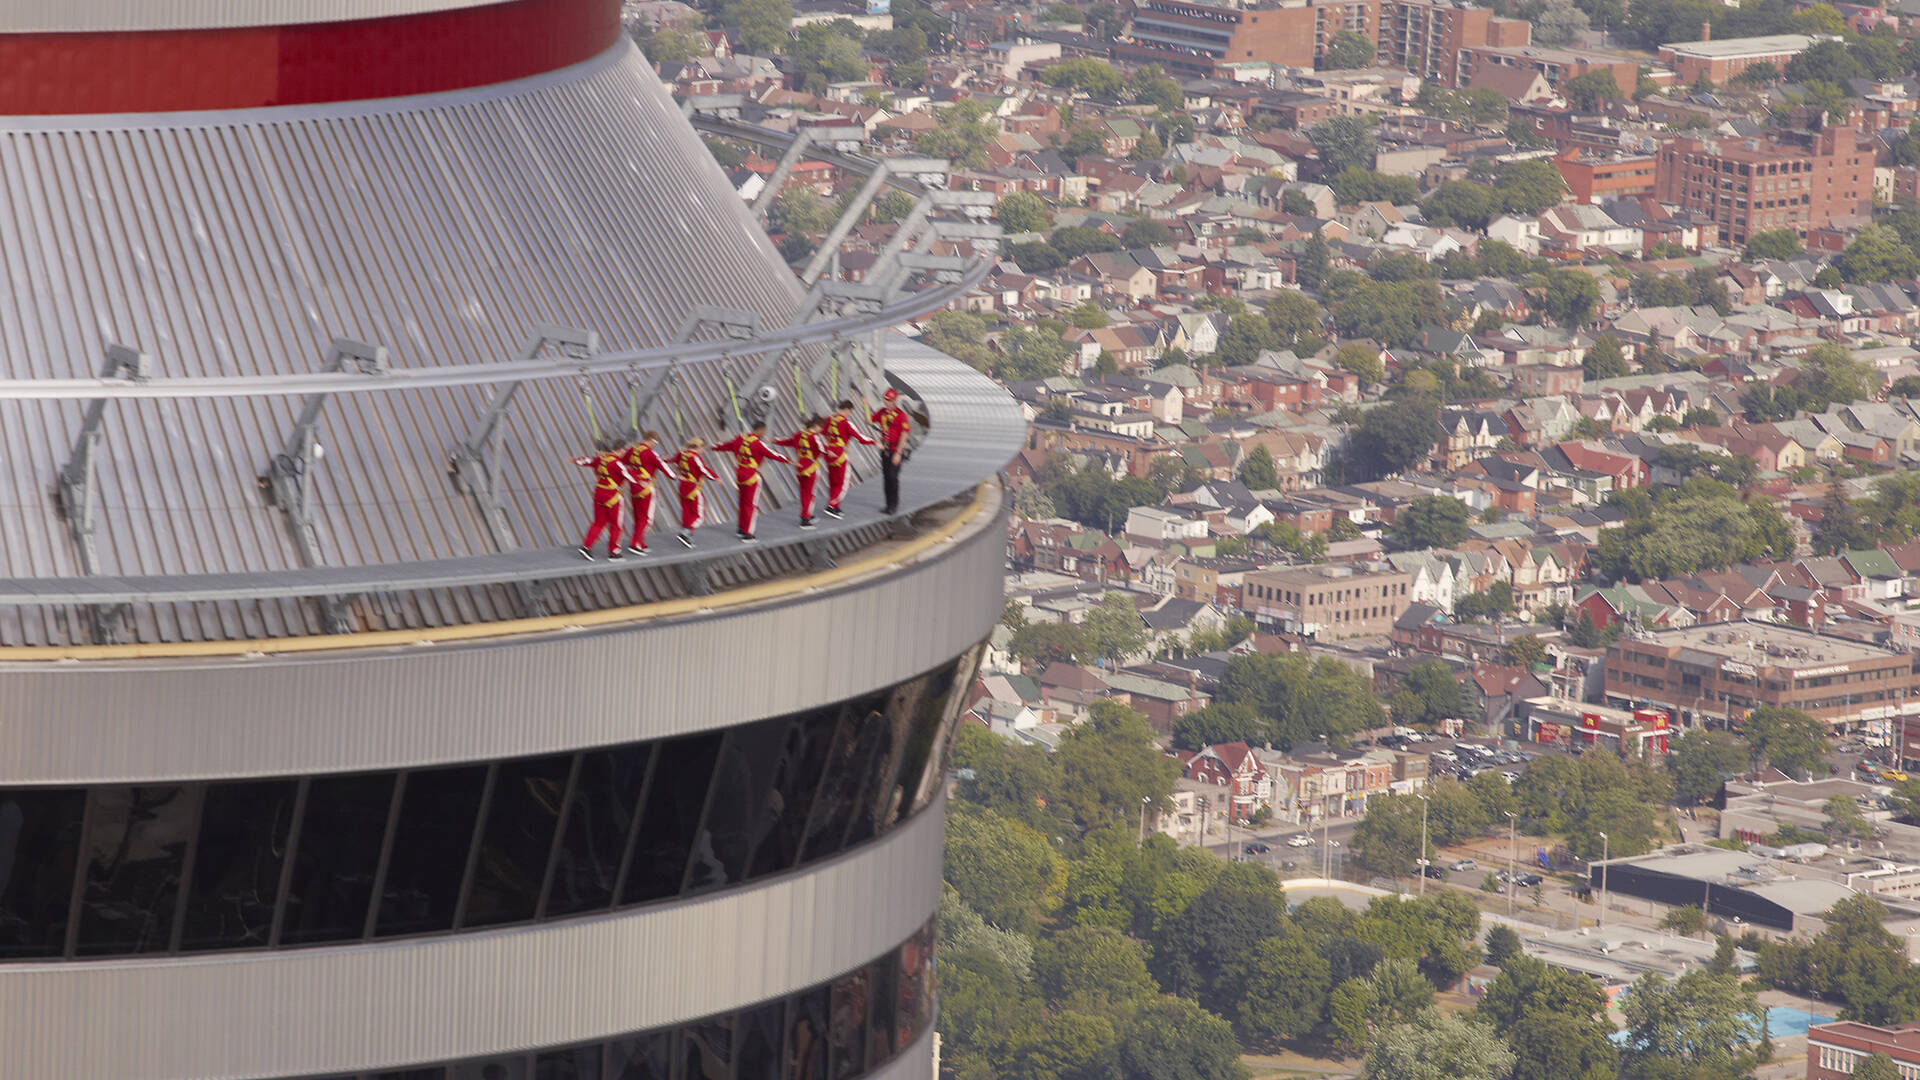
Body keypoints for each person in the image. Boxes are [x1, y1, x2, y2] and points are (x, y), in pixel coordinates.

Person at [713, 420, 789, 542]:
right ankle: (748, 533)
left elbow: (725, 446)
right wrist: (789, 460)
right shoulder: (758, 443)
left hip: (740, 475)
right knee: (751, 506)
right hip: (752, 476)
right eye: (763, 431)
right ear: (760, 430)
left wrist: (714, 447)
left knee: (743, 503)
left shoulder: (739, 439)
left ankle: (741, 528)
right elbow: (773, 454)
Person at [570, 438, 634, 560]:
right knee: (616, 525)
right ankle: (614, 552)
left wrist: (575, 460)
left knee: (598, 523)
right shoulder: (616, 463)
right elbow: (628, 475)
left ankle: (586, 547)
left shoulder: (600, 459)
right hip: (613, 497)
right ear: (620, 450)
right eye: (624, 450)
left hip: (599, 494)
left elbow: (587, 460)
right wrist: (641, 482)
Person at [619, 429, 675, 555]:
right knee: (646, 519)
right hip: (647, 489)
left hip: (634, 487)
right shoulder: (651, 453)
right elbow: (664, 467)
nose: (655, 445)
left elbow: (622, 464)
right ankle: (635, 544)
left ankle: (640, 542)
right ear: (652, 441)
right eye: (655, 442)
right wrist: (675, 476)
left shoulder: (632, 450)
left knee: (638, 517)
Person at [820, 398, 875, 519]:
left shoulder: (828, 420)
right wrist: (874, 442)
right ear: (847, 410)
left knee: (834, 482)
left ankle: (836, 506)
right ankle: (831, 505)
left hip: (829, 454)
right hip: (840, 455)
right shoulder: (846, 423)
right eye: (850, 412)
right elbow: (861, 438)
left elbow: (818, 432)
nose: (849, 414)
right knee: (844, 482)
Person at [774, 416, 828, 528]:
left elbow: (788, 441)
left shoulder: (799, 435)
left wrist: (775, 441)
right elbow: (823, 450)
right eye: (821, 427)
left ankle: (807, 514)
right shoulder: (815, 437)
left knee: (804, 493)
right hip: (811, 468)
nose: (821, 430)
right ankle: (805, 519)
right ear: (816, 426)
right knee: (810, 494)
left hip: (800, 468)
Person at [869, 388, 915, 516]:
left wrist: (898, 453)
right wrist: (865, 405)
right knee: (886, 478)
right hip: (885, 450)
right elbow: (869, 420)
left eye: (889, 400)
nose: (886, 402)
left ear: (894, 401)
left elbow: (904, 435)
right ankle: (888, 505)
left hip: (895, 450)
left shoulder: (901, 416)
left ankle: (893, 505)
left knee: (893, 478)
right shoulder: (882, 413)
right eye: (885, 399)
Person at [671, 437, 719, 548]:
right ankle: (686, 532)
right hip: (693, 488)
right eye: (702, 448)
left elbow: (671, 459)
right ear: (698, 447)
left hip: (682, 487)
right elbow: (703, 469)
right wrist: (715, 477)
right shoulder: (695, 457)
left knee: (687, 512)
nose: (703, 450)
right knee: (699, 515)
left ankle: (687, 536)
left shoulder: (681, 454)